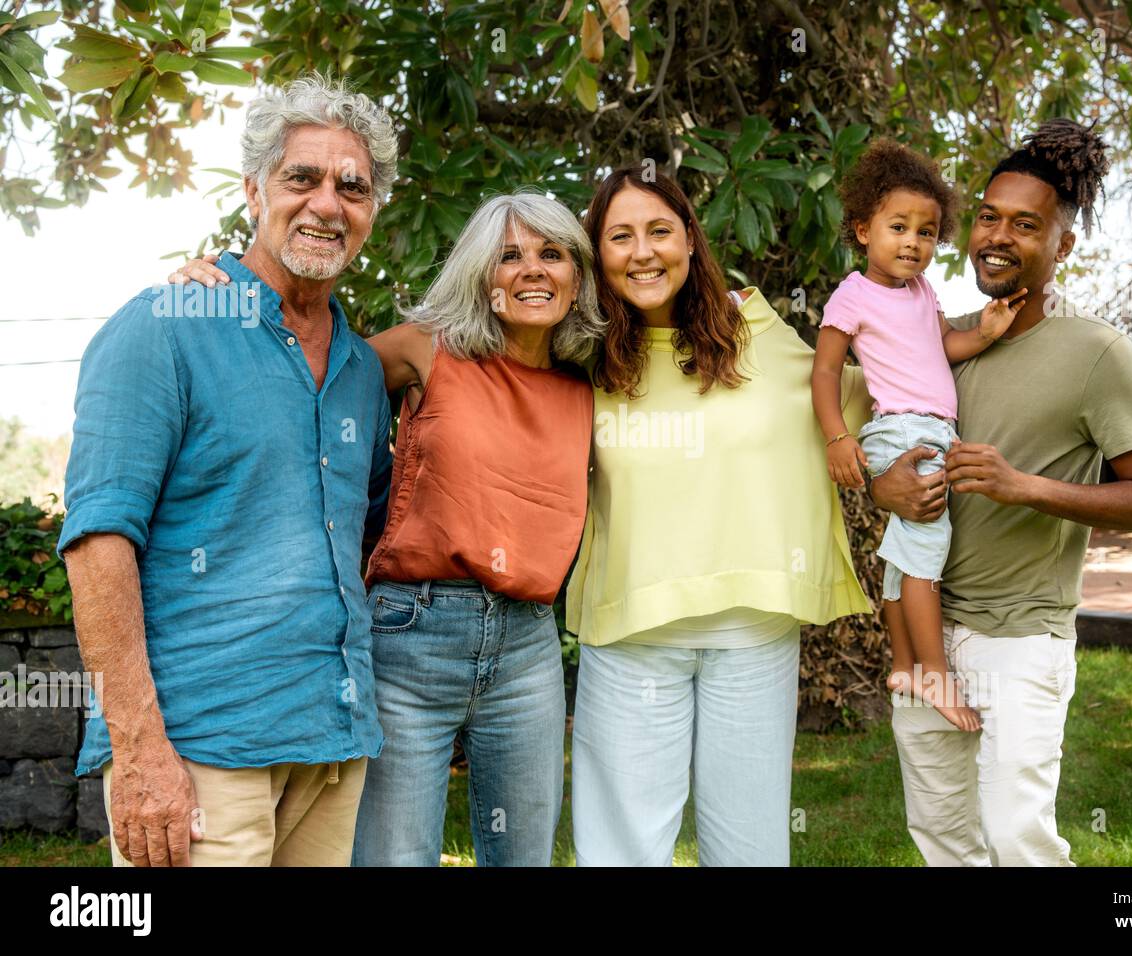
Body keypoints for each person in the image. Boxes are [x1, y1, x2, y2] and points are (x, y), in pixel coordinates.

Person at [167, 190, 604, 867]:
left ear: (577, 275)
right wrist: (219, 301)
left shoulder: (591, 379)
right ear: (481, 276)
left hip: (528, 647)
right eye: (508, 256)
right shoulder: (429, 351)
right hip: (412, 634)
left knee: (524, 857)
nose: (532, 270)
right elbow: (302, 374)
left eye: (552, 254)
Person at [58, 74, 400, 867]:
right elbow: (97, 546)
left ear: (372, 210)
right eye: (301, 178)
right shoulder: (163, 328)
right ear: (253, 190)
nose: (327, 203)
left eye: (352, 186)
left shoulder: (359, 368)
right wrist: (140, 753)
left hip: (332, 747)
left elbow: (368, 536)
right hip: (200, 753)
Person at [870, 119, 1132, 866]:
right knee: (943, 839)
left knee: (1016, 840)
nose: (997, 236)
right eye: (987, 216)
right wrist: (886, 488)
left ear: (1062, 246)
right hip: (926, 629)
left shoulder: (1097, 352)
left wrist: (1024, 486)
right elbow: (879, 451)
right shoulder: (939, 340)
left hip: (1021, 639)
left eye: (1025, 224)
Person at [566, 165, 872, 866]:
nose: (642, 252)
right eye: (620, 236)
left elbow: (870, 394)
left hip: (752, 632)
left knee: (751, 848)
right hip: (631, 632)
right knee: (620, 850)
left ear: (691, 241)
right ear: (597, 254)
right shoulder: (578, 354)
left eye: (659, 231)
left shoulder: (760, 333)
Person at [812, 139, 1027, 732]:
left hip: (931, 429)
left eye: (927, 233)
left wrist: (985, 333)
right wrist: (837, 438)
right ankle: (936, 673)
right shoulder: (853, 294)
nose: (913, 242)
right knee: (927, 560)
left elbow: (942, 348)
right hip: (906, 433)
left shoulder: (923, 292)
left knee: (903, 560)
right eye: (899, 227)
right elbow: (826, 369)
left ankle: (905, 663)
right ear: (863, 229)